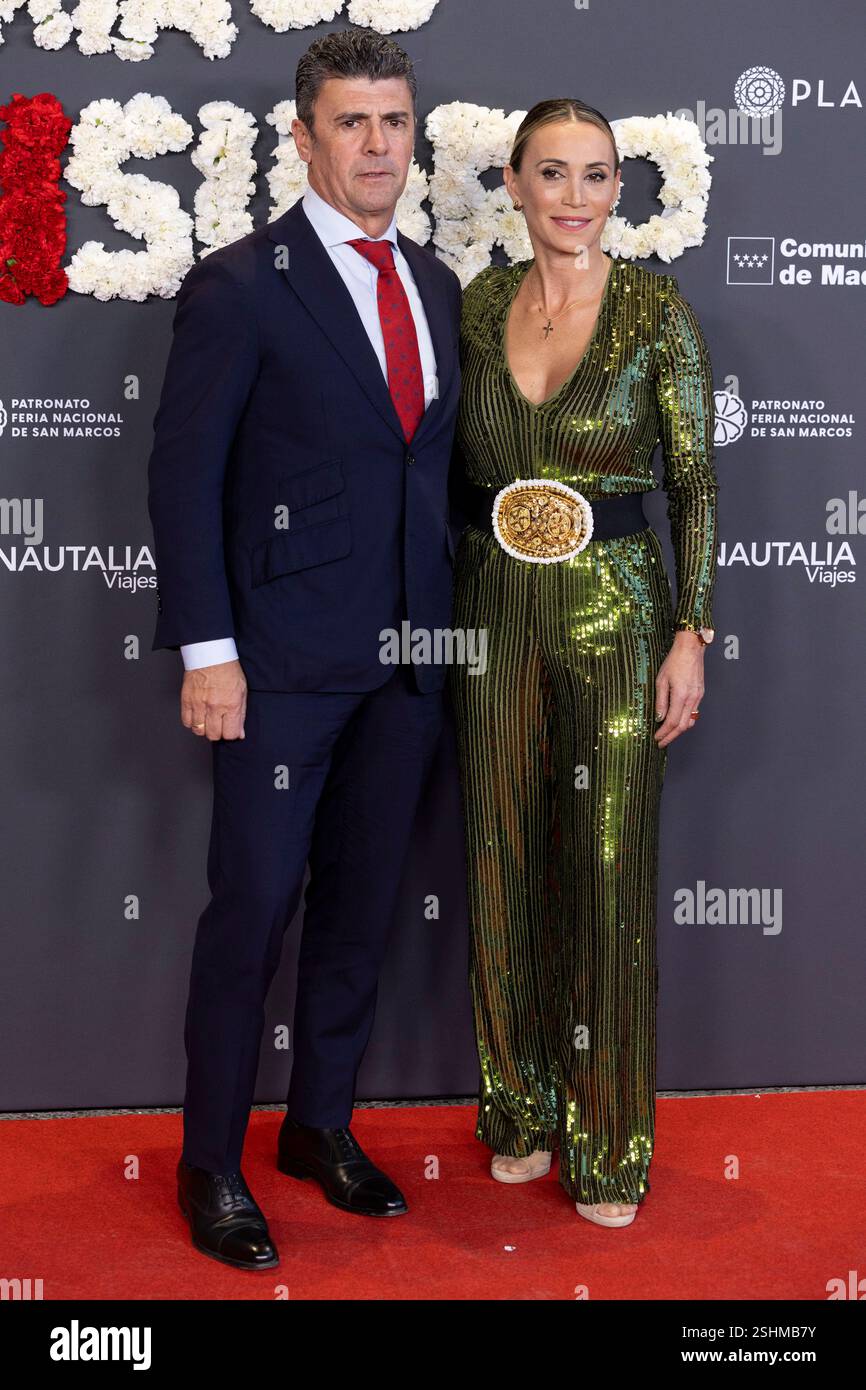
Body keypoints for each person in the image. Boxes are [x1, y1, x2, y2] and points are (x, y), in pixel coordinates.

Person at [147, 29, 462, 1270]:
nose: (377, 144)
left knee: (360, 908)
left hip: (409, 662)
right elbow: (183, 483)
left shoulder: (432, 281)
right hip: (275, 663)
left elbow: (419, 467)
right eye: (351, 123)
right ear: (304, 138)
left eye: (393, 121)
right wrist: (207, 652)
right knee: (255, 910)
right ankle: (210, 1161)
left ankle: (317, 1124)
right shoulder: (240, 286)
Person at [448, 98, 718, 1228]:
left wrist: (689, 630)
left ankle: (608, 1145)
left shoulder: (656, 308)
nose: (572, 196)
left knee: (603, 882)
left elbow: (694, 482)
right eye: (549, 173)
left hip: (615, 621)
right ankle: (518, 1107)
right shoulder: (470, 308)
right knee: (502, 861)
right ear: (511, 183)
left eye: (594, 174)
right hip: (490, 616)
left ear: (619, 188)